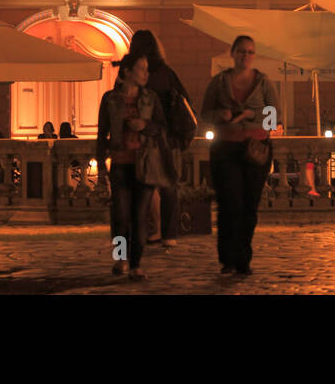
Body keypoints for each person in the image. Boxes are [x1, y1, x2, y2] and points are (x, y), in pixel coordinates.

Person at [201, 34, 281, 276]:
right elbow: (205, 113)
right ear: (233, 53)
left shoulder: (264, 83)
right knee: (229, 204)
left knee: (249, 206)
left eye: (250, 52)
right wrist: (221, 116)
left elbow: (273, 117)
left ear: (253, 56)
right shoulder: (219, 82)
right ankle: (227, 258)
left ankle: (243, 257)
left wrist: (250, 116)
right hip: (226, 148)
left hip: (255, 150)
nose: (245, 56)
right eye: (241, 51)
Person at [95, 52, 165, 280]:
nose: (146, 73)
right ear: (127, 72)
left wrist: (143, 124)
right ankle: (120, 258)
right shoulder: (110, 99)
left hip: (144, 163)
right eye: (141, 69)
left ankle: (135, 264)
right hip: (120, 164)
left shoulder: (150, 98)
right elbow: (101, 134)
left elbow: (161, 128)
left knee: (139, 216)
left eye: (146, 69)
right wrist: (101, 168)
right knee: (120, 216)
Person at [127, 29, 195, 249]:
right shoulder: (167, 72)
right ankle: (169, 234)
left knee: (145, 185)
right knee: (168, 186)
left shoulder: (136, 74)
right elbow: (186, 100)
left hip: (145, 136)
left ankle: (147, 231)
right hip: (170, 138)